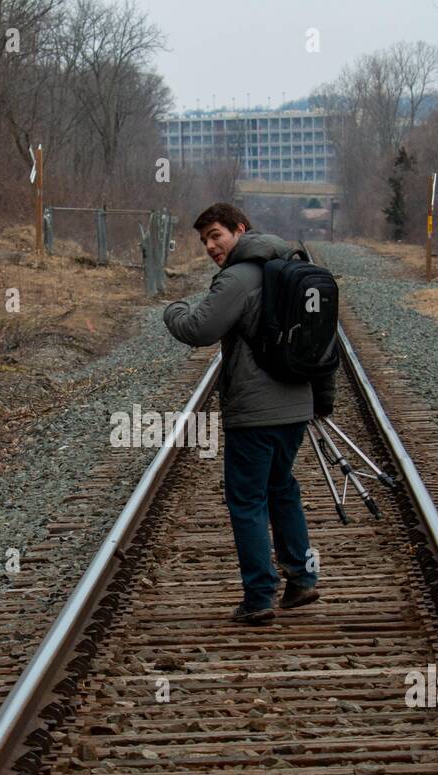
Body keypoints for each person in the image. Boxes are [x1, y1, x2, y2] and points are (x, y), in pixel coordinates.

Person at [163, 202, 336, 624]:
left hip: (255, 413)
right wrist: (321, 400)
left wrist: (173, 310)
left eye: (216, 235)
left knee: (247, 500)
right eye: (205, 240)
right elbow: (325, 339)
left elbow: (198, 329)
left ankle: (259, 598)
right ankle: (301, 579)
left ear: (240, 228)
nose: (210, 246)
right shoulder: (293, 267)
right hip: (295, 407)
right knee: (282, 489)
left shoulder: (238, 279)